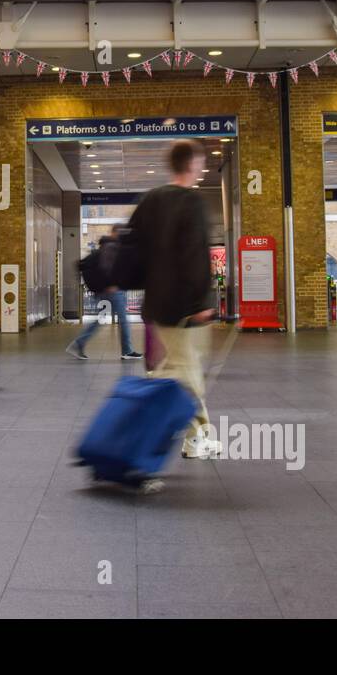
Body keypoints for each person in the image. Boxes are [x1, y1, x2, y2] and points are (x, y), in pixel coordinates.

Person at [127, 138, 221, 460]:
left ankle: (200, 434)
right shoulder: (191, 204)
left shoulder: (150, 201)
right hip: (184, 308)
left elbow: (133, 251)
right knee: (183, 371)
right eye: (200, 162)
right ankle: (182, 436)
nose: (202, 167)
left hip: (155, 304)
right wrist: (201, 304)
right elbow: (195, 256)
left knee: (174, 367)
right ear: (192, 164)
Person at [67, 225, 141, 361]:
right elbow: (106, 268)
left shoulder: (106, 246)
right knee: (123, 319)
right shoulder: (111, 247)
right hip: (112, 291)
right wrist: (110, 284)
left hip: (108, 291)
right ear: (114, 233)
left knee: (101, 320)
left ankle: (78, 344)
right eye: (120, 232)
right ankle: (127, 351)